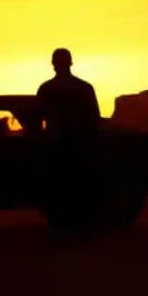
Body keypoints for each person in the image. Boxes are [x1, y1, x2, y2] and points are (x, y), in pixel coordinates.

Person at [35, 48, 101, 236]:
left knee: (58, 190)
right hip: (78, 147)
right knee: (79, 190)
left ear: (53, 64)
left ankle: (61, 229)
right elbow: (94, 119)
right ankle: (80, 230)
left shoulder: (47, 89)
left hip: (57, 148)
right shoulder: (83, 88)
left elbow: (37, 119)